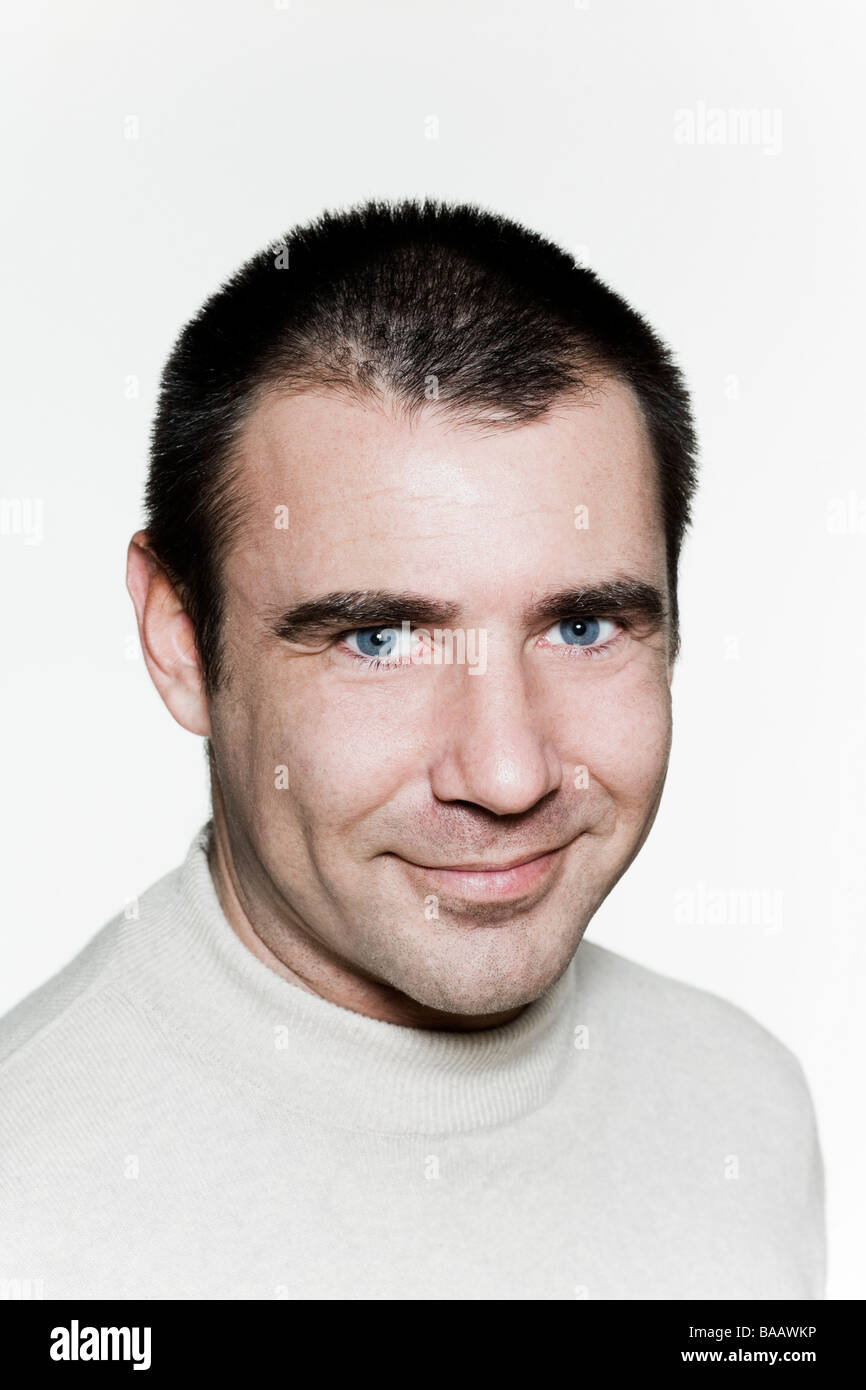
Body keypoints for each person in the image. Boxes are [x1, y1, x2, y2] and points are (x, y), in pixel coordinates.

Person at [0, 199, 825, 1299]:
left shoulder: (745, 1105)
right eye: (378, 638)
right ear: (181, 642)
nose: (506, 773)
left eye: (581, 627)